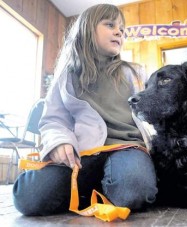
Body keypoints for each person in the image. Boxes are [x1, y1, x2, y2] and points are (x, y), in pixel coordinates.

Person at [13, 4, 158, 216]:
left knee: (134, 190)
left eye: (122, 29)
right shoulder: (67, 77)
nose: (119, 32)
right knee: (28, 197)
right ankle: (101, 186)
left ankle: (95, 188)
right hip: (82, 153)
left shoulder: (135, 73)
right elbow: (53, 120)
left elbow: (155, 109)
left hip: (129, 149)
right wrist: (59, 141)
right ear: (87, 29)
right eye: (110, 25)